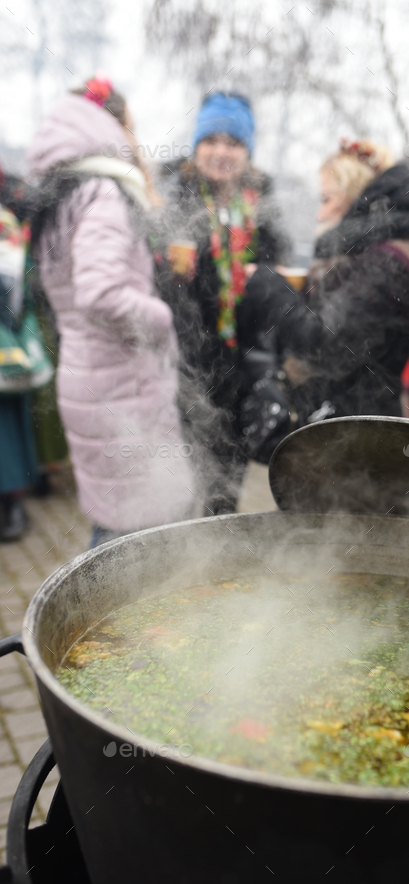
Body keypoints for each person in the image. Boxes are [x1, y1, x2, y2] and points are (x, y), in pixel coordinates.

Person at [27, 77, 196, 548]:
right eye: (130, 127)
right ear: (110, 125)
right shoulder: (101, 191)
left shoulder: (63, 192)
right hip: (121, 385)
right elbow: (100, 293)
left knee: (119, 522)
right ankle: (102, 622)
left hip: (91, 378)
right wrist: (160, 317)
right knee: (133, 537)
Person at [162, 92, 291, 513]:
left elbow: (280, 288)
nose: (221, 152)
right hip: (182, 366)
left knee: (224, 490)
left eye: (233, 143)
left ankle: (216, 567)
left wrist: (266, 280)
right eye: (211, 140)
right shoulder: (172, 201)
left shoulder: (263, 210)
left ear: (247, 153)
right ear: (196, 148)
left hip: (243, 367)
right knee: (178, 487)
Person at [248, 139, 409, 423]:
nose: (319, 214)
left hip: (356, 431)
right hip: (356, 421)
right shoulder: (381, 259)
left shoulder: (381, 266)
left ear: (356, 199)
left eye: (327, 200)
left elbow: (324, 345)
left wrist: (271, 286)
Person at [0, 176, 39, 540]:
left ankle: (12, 500)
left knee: (7, 423)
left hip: (3, 336)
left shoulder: (5, 219)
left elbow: (13, 287)